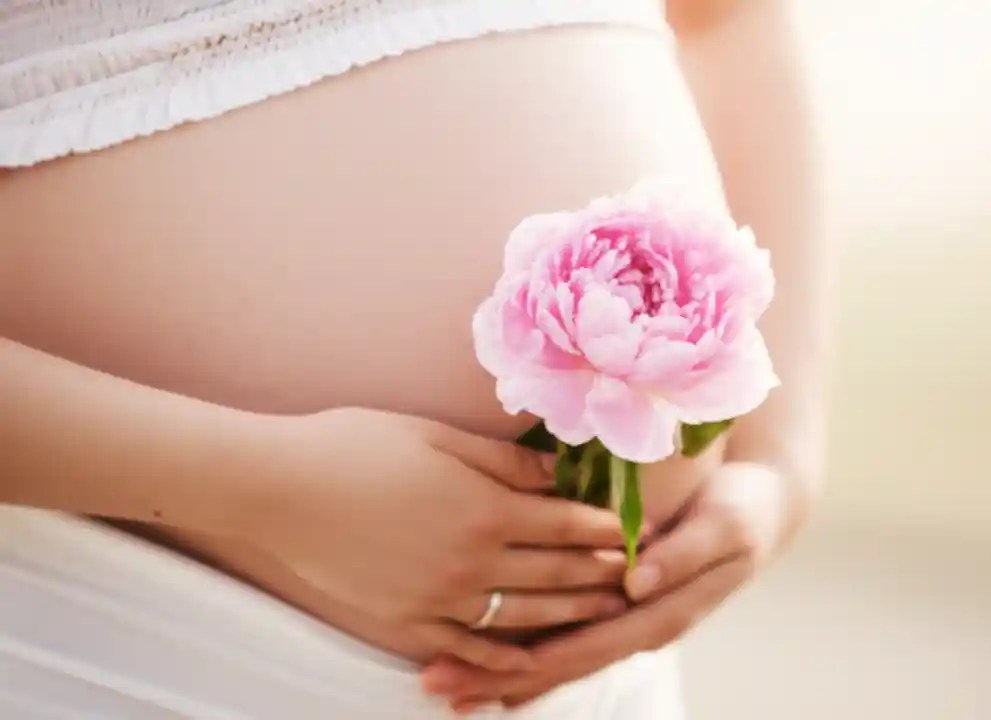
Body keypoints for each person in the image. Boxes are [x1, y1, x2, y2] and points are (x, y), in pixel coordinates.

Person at [0, 0, 828, 716]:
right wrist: (264, 490)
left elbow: (731, 18)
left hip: (613, 684)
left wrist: (779, 460)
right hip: (119, 649)